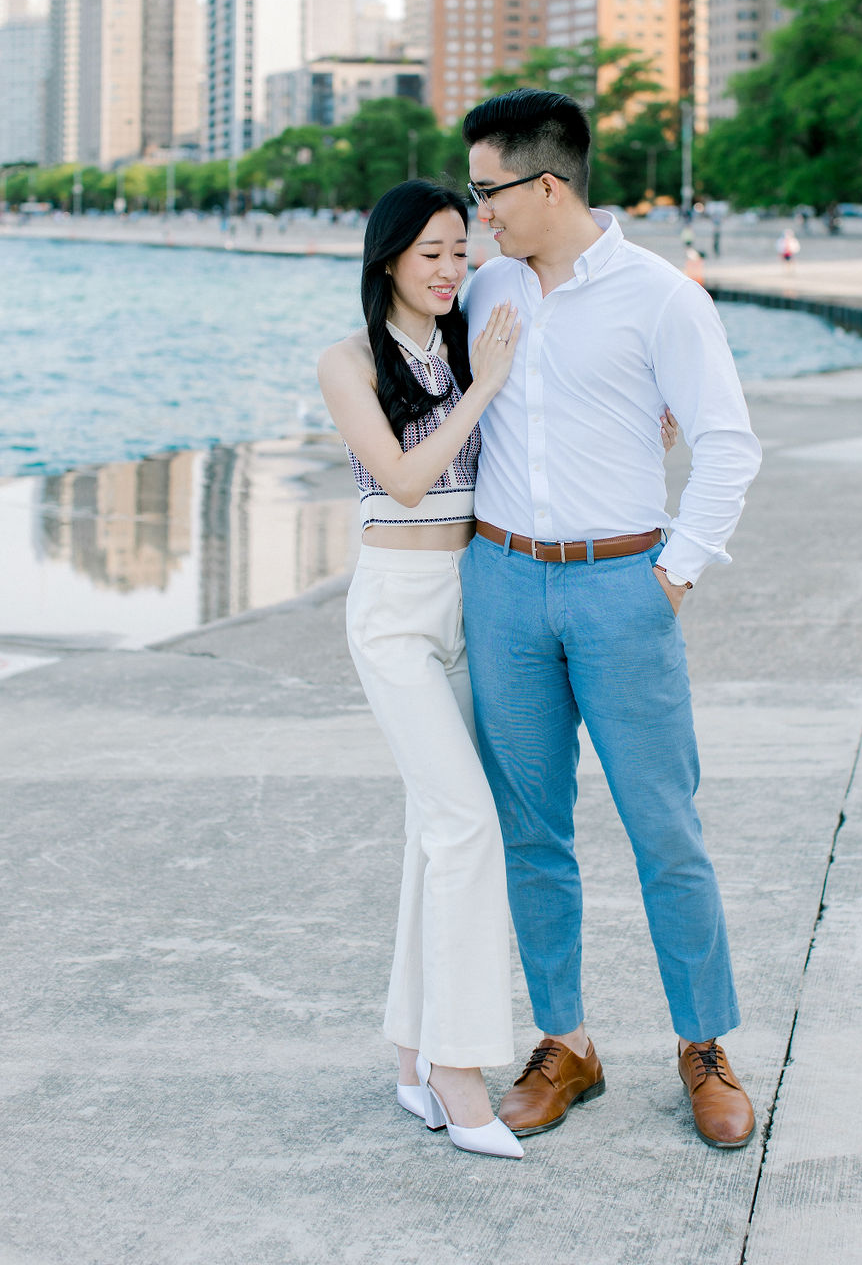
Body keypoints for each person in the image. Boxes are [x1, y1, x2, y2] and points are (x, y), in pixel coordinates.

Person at [458, 89, 763, 1151]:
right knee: (532, 830)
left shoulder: (658, 297)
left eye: (488, 189)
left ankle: (704, 1045)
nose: (477, 212)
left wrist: (671, 576)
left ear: (549, 184)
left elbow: (727, 442)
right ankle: (567, 1043)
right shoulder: (483, 285)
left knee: (663, 828)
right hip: (499, 582)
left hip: (621, 585)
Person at [317, 179, 525, 1160]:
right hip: (396, 616)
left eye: (461, 252)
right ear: (389, 257)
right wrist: (482, 386)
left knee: (433, 833)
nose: (450, 270)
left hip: (472, 604)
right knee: (465, 825)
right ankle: (457, 1063)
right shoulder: (347, 362)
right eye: (432, 252)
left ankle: (409, 1051)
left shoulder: (463, 342)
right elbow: (402, 480)